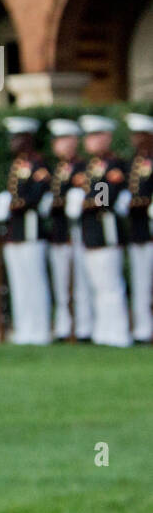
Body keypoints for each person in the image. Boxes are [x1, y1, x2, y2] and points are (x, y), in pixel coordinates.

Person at [69, 115, 131, 347]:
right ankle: (104, 331)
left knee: (110, 285)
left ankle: (118, 332)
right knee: (97, 285)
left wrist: (82, 202)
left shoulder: (113, 165)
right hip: (90, 231)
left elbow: (104, 199)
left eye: (95, 135)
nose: (90, 140)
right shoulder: (93, 166)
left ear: (107, 137)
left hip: (106, 232)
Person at [0, 117, 51, 344]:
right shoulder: (17, 165)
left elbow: (35, 196)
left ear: (27, 138)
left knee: (34, 281)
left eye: (17, 137)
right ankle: (25, 329)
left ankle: (39, 329)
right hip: (15, 232)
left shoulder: (38, 164)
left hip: (31, 231)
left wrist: (13, 204)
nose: (13, 142)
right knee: (20, 284)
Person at [45, 118, 92, 341]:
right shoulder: (58, 169)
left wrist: (85, 202)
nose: (57, 144)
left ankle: (83, 328)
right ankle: (64, 327)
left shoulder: (84, 168)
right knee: (62, 284)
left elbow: (101, 198)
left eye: (62, 139)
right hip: (59, 233)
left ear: (73, 141)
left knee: (80, 283)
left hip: (79, 233)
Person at [124, 112, 153, 343]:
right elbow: (112, 194)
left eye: (140, 135)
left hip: (150, 228)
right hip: (138, 230)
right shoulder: (133, 163)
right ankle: (143, 330)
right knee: (141, 282)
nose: (135, 140)